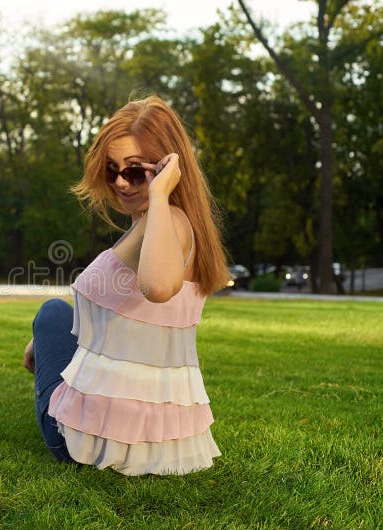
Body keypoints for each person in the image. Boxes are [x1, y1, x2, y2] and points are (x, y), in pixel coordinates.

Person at [24, 94, 231, 476]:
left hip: (83, 443)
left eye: (135, 171)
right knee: (57, 318)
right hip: (159, 447)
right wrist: (48, 342)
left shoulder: (165, 221)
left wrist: (157, 193)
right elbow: (128, 315)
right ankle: (50, 339)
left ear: (168, 166)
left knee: (52, 310)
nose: (120, 182)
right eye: (111, 169)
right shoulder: (172, 224)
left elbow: (158, 287)